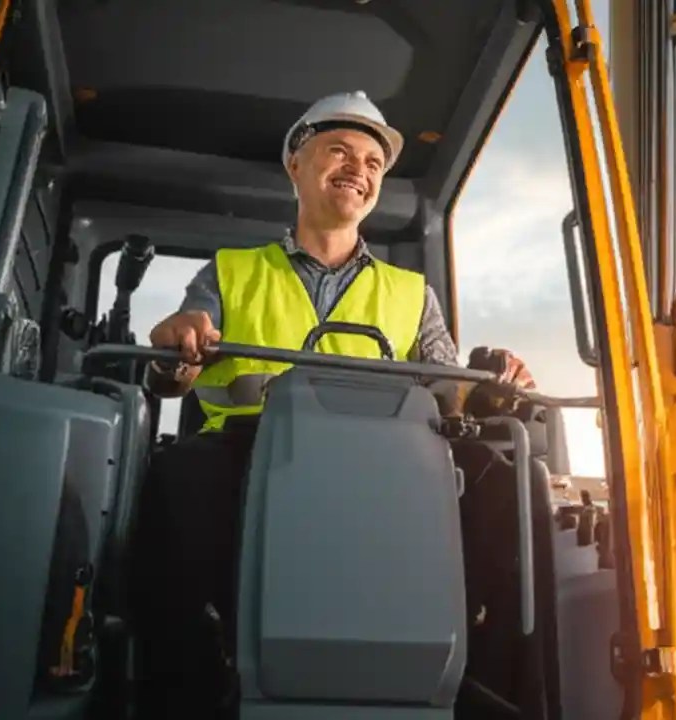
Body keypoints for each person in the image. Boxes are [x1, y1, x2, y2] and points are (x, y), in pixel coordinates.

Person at [129, 90, 533, 717]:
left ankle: (490, 672)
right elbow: (176, 370)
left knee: (508, 483)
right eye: (339, 151)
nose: (359, 170)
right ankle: (183, 689)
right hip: (252, 456)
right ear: (296, 163)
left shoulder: (411, 294)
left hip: (383, 468)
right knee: (175, 477)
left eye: (372, 162)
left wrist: (491, 379)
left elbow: (448, 386)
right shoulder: (230, 272)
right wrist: (175, 348)